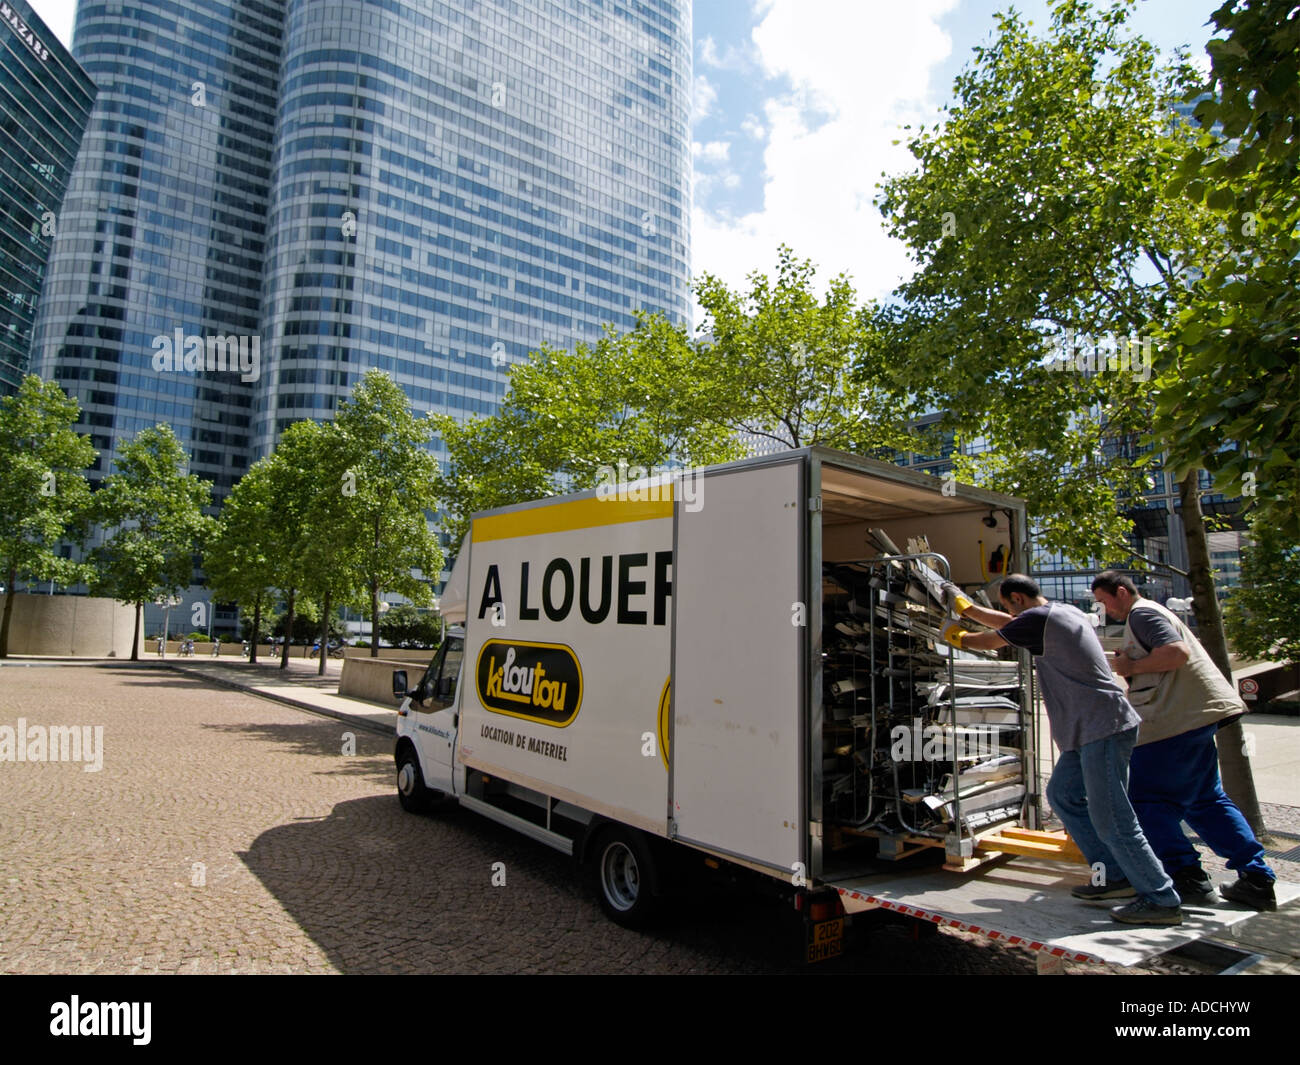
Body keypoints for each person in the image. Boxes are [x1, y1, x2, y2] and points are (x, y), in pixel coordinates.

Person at [942, 573, 1183, 925]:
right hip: (1088, 729)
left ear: (1017, 599)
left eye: (1008, 603)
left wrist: (955, 634)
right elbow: (1011, 623)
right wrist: (969, 608)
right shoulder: (1060, 613)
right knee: (1064, 795)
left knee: (1112, 818)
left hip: (1100, 726)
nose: (1010, 612)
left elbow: (989, 641)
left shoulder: (1040, 620)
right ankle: (1113, 875)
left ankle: (1161, 897)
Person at [1091, 571, 1277, 911]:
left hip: (1170, 724)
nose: (1106, 611)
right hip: (1193, 719)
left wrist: (1130, 665)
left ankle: (1186, 875)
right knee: (1206, 799)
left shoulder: (1142, 613)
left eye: (1104, 602)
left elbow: (1175, 654)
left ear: (1120, 592)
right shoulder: (1154, 612)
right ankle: (1257, 879)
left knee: (1146, 801)